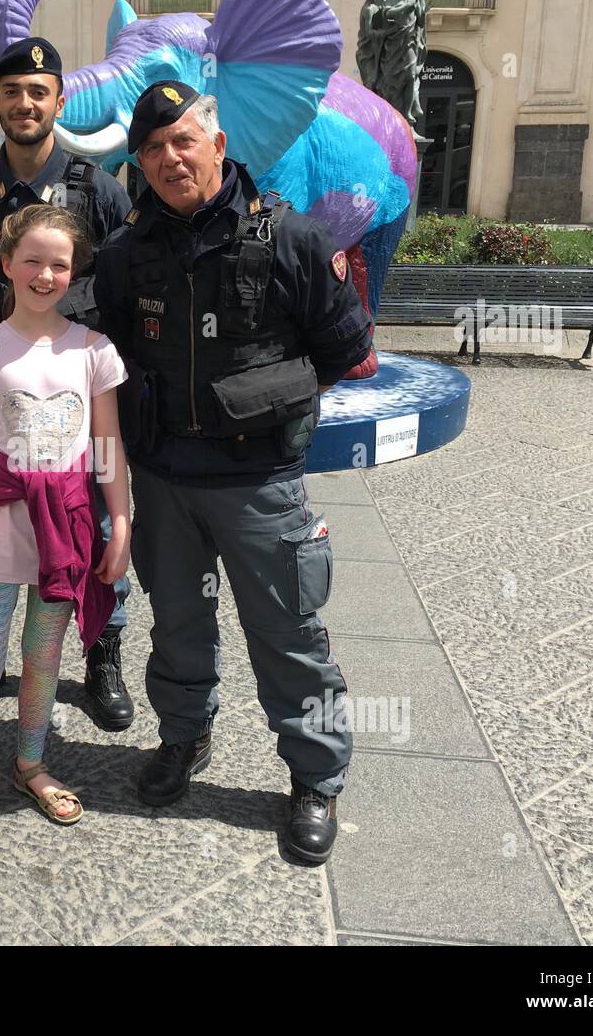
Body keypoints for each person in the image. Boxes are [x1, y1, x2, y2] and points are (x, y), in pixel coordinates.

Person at [94, 82, 373, 866]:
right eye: (152, 149)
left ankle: (316, 776)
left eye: (183, 140)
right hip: (162, 480)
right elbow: (102, 368)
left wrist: (268, 404)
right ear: (138, 163)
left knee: (287, 635)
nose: (168, 158)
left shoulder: (292, 240)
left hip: (260, 483)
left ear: (217, 143)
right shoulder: (124, 253)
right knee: (177, 625)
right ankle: (185, 738)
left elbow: (344, 352)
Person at [0, 35, 136, 729]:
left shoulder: (97, 189)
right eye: (12, 91)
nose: (25, 103)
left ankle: (103, 648)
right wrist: (7, 329)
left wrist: (58, 324)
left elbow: (119, 283)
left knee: (94, 513)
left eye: (38, 91)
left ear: (58, 100)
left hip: (72, 380)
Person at [0, 204, 130, 861]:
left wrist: (120, 519)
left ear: (76, 271)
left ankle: (31, 763)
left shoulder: (93, 350)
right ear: (6, 263)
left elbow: (105, 444)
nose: (45, 273)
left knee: (44, 659)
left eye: (59, 263)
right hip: (0, 532)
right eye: (32, 260)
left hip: (64, 532)